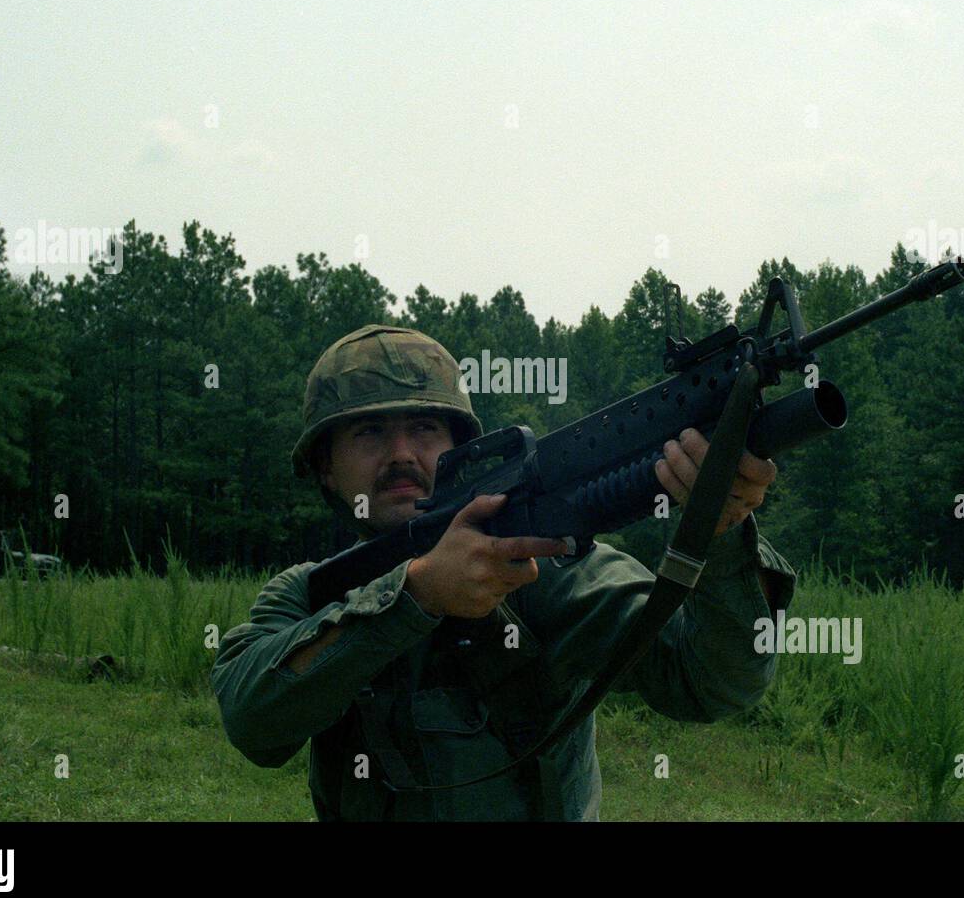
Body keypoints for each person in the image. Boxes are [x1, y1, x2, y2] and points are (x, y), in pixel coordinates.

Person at [212, 324, 797, 820]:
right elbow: (253, 723)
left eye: (424, 428)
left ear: (464, 448)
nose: (401, 454)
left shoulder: (537, 569)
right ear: (324, 468)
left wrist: (719, 537)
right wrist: (415, 596)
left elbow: (713, 684)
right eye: (369, 432)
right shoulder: (308, 595)